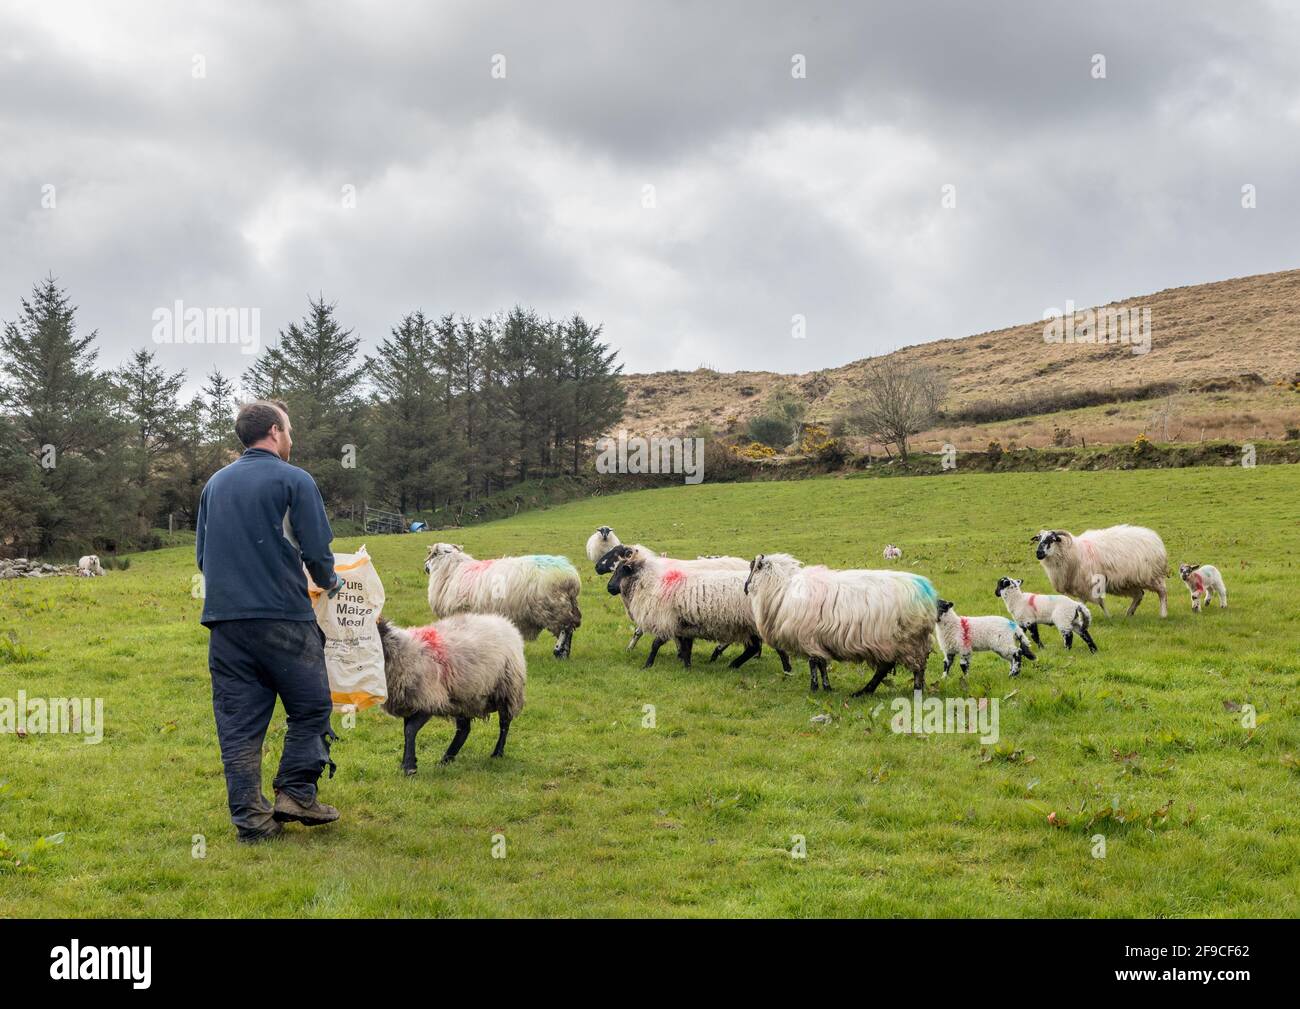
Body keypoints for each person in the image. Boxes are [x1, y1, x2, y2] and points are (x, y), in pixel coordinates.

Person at [195, 400, 343, 843]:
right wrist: (329, 582)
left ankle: (252, 823)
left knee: (238, 725)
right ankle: (296, 792)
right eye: (289, 430)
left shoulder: (215, 485)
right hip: (283, 618)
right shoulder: (294, 479)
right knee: (311, 706)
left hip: (225, 624)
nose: (291, 439)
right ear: (275, 431)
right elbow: (316, 550)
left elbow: (203, 557)